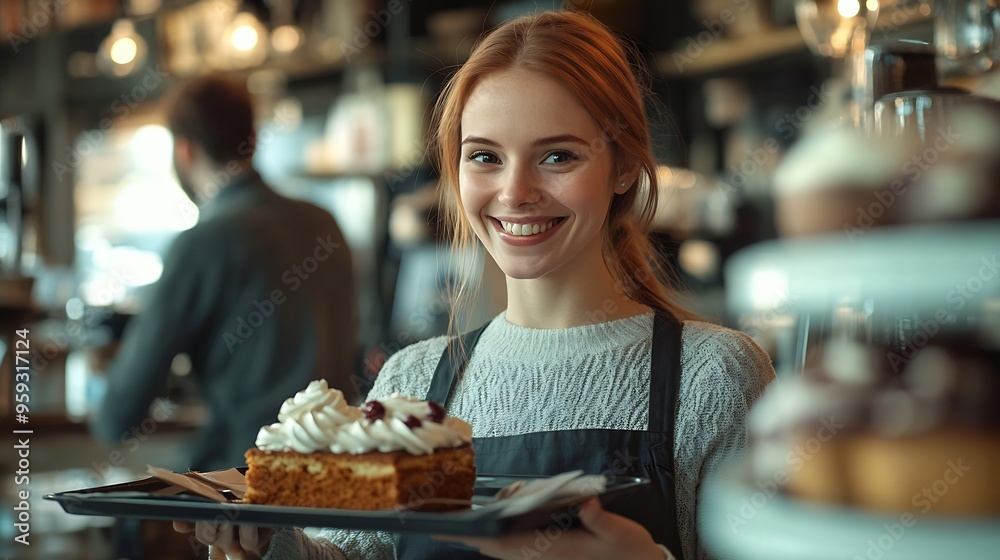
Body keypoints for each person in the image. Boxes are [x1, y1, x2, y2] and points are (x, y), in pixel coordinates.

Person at [176, 11, 775, 560]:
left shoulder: (713, 377)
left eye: (558, 156)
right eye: (485, 157)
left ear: (621, 167)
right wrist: (268, 544)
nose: (514, 193)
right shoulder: (411, 382)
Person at [90, 75, 358, 472]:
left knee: (132, 523)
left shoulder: (203, 243)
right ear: (252, 137)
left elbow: (120, 414)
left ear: (184, 151)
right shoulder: (325, 224)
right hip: (340, 474)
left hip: (245, 485)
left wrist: (101, 369)